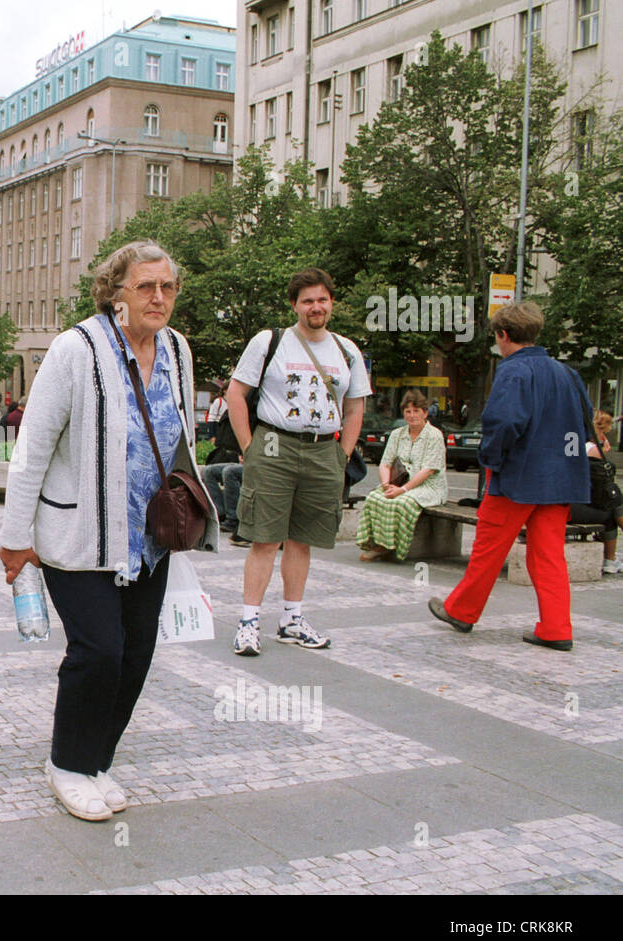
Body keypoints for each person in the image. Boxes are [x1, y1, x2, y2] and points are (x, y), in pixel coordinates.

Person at [0, 240, 218, 823]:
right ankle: (66, 765)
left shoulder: (177, 350)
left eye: (168, 287)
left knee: (136, 654)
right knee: (98, 652)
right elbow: (33, 446)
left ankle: (97, 760)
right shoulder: (76, 348)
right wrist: (17, 537)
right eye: (145, 286)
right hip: (78, 536)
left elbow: (179, 440)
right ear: (114, 293)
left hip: (148, 538)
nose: (159, 297)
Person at [225, 268, 371, 657]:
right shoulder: (270, 342)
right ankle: (248, 621)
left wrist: (341, 455)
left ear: (332, 303)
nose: (315, 307)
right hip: (275, 445)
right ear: (295, 305)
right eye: (307, 300)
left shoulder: (347, 351)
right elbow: (235, 393)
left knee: (301, 538)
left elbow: (355, 407)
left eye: (322, 299)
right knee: (264, 537)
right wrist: (249, 445)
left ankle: (292, 618)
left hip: (325, 448)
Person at [428, 302, 591, 650]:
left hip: (517, 478)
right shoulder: (567, 373)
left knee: (489, 548)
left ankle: (462, 611)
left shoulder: (513, 372)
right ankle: (556, 628)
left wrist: (490, 459)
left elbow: (503, 424)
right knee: (548, 556)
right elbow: (585, 420)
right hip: (560, 479)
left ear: (503, 335)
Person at [356, 389, 448, 561]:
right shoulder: (397, 434)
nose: (411, 415)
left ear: (425, 413)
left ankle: (391, 546)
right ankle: (376, 543)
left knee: (401, 503)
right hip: (398, 482)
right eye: (408, 411)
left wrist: (403, 490)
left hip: (428, 487)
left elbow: (428, 470)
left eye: (416, 411)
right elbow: (385, 463)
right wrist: (385, 485)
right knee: (374, 498)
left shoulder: (434, 436)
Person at [573, 410, 623, 575]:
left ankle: (610, 561)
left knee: (614, 505)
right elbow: (601, 490)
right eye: (603, 432)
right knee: (612, 508)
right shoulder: (593, 450)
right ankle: (609, 560)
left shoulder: (574, 443)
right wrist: (602, 455)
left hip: (568, 504)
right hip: (575, 509)